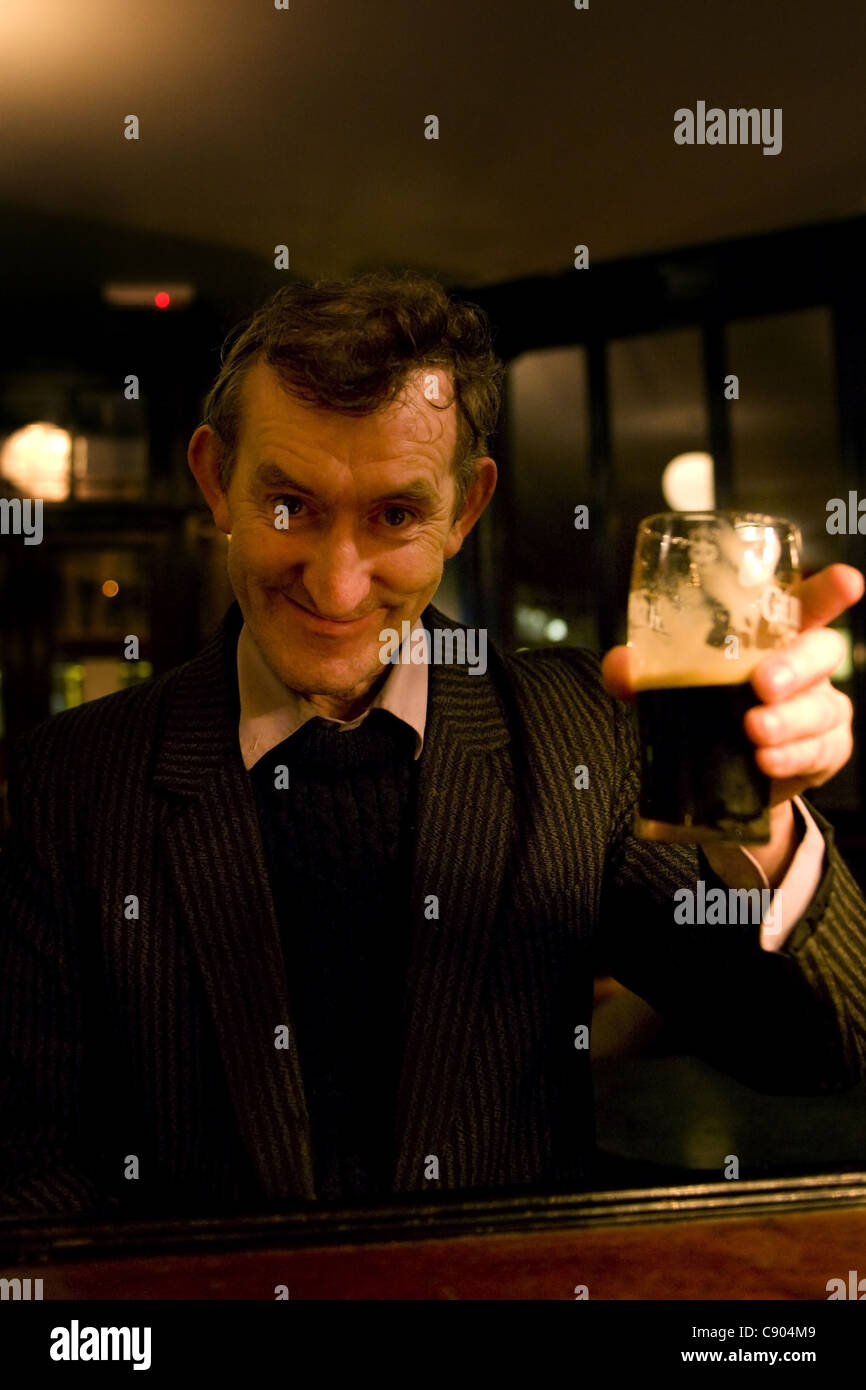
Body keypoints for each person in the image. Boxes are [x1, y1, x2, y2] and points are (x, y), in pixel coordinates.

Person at [1, 273, 864, 1219]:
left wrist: (772, 824)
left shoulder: (580, 736)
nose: (337, 587)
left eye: (396, 516)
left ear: (464, 510)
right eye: (290, 505)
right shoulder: (66, 781)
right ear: (217, 482)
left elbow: (815, 1051)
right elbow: (34, 1167)